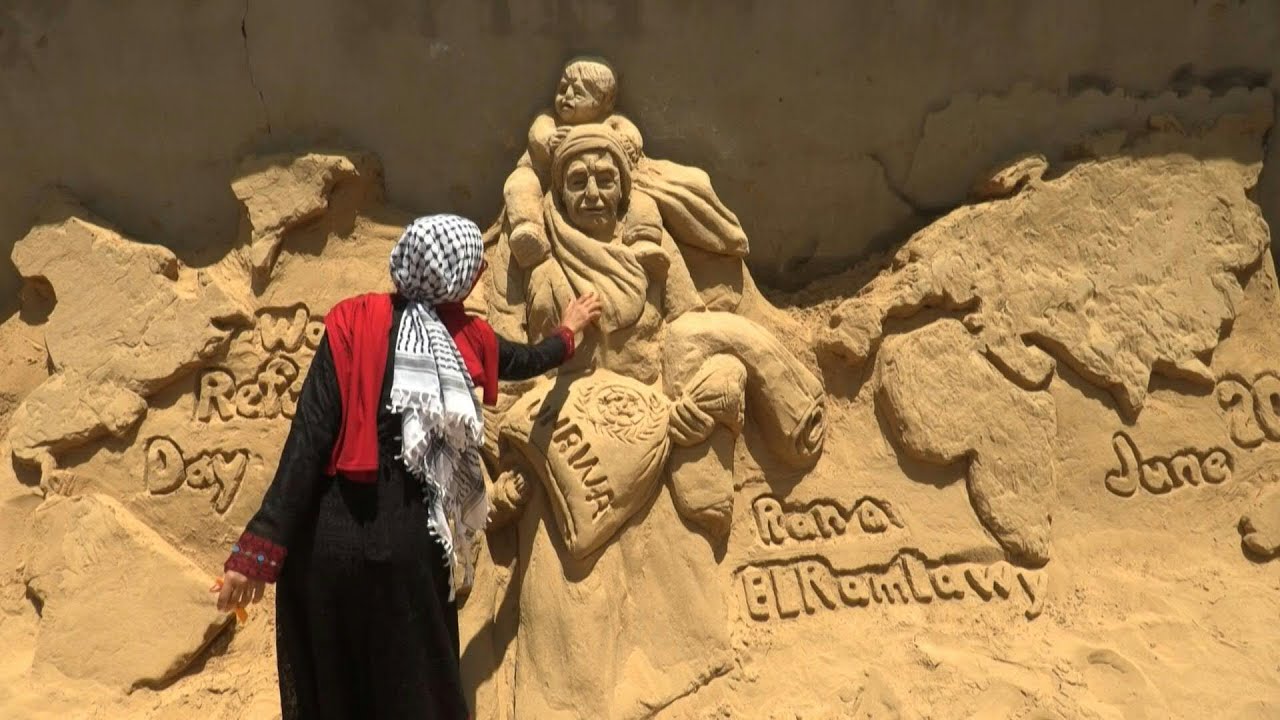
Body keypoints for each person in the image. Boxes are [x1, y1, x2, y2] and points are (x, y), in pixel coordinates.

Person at [212, 213, 602, 720]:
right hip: (407, 552)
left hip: (326, 551)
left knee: (336, 692)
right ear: (458, 277)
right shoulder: (469, 340)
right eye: (476, 266)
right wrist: (568, 333)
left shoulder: (350, 323)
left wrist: (253, 558)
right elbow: (528, 360)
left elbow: (306, 445)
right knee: (414, 690)